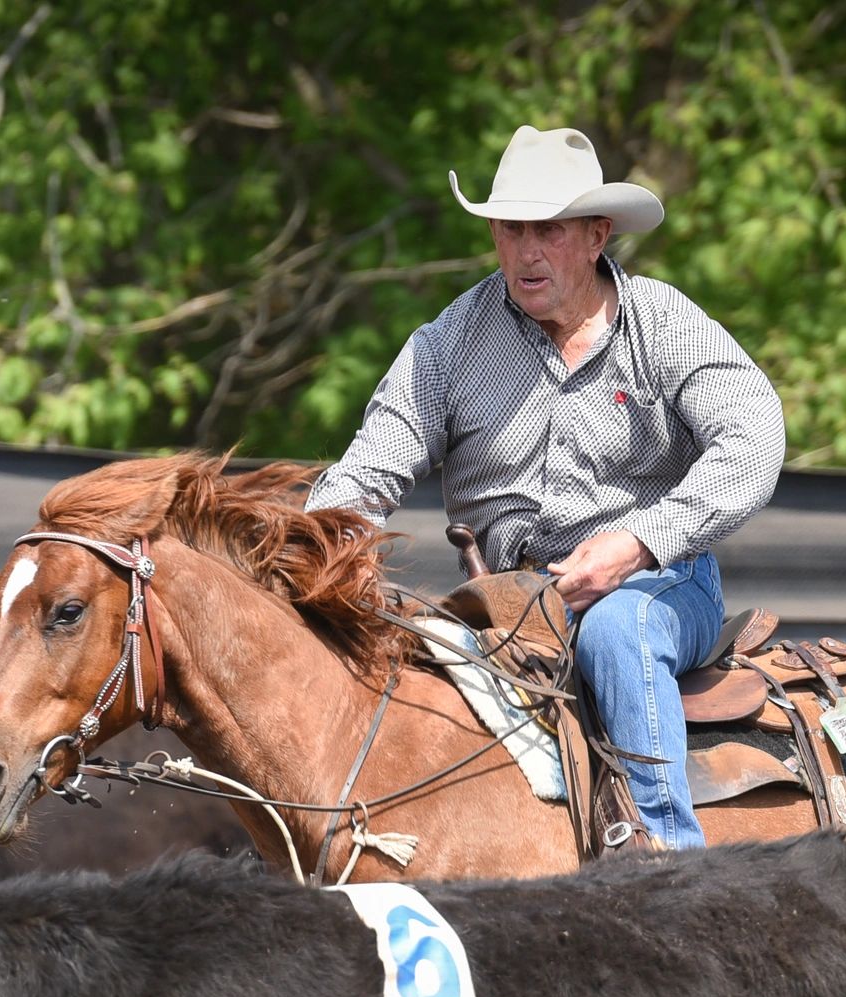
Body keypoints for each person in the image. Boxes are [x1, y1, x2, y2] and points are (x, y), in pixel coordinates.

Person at [307, 123, 786, 851]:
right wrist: (300, 549)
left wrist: (634, 543)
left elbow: (755, 437)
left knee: (618, 632)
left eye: (548, 230)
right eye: (510, 229)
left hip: (662, 582)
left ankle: (668, 868)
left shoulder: (662, 324)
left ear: (596, 235)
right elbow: (371, 469)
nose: (526, 251)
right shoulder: (449, 342)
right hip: (501, 606)